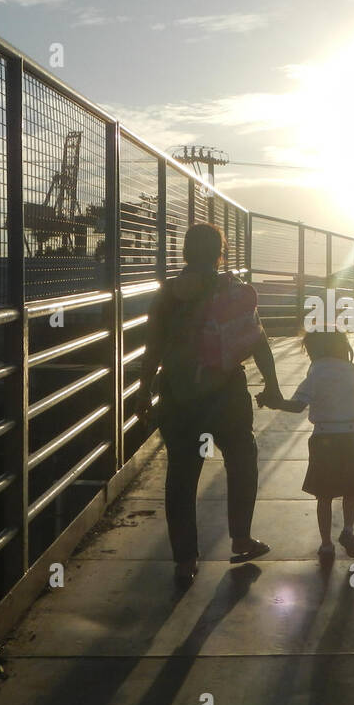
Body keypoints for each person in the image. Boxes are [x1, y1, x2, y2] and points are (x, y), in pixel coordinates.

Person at [138, 223, 285, 588]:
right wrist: (272, 383)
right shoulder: (233, 292)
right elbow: (257, 339)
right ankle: (241, 538)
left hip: (179, 394)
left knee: (182, 476)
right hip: (226, 393)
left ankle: (185, 561)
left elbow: (152, 348)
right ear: (221, 253)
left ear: (185, 253)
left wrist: (143, 391)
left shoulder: (169, 294)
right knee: (242, 459)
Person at [258, 330, 354, 558]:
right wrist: (353, 422)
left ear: (317, 350)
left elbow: (298, 406)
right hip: (351, 437)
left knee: (324, 495)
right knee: (352, 490)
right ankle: (348, 531)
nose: (309, 356)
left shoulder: (316, 373)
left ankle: (326, 544)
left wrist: (275, 403)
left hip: (323, 439)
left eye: (309, 351)